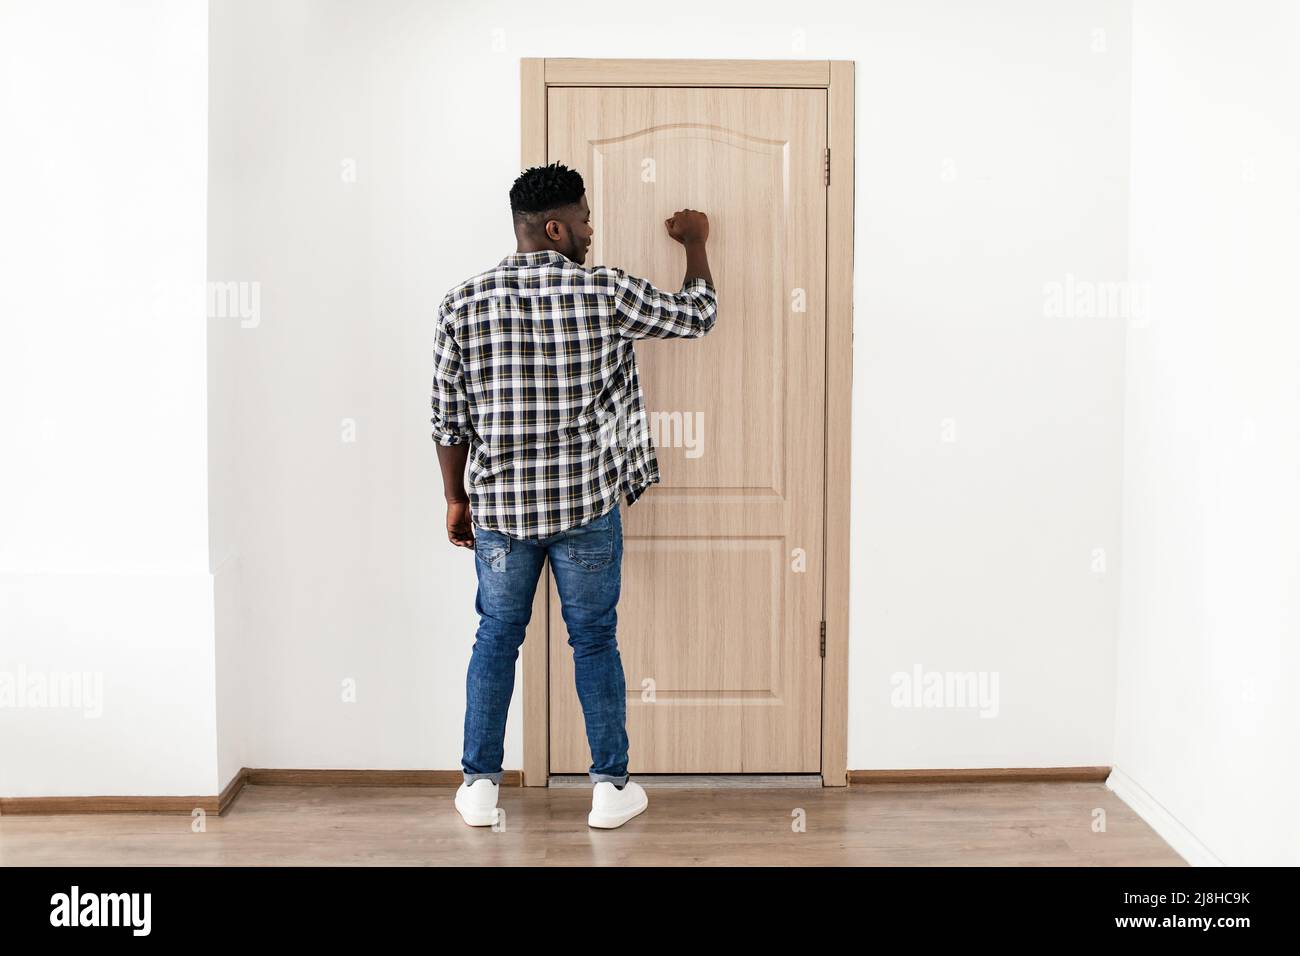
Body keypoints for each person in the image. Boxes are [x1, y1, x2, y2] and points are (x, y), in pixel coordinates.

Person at [431, 162, 716, 829]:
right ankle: (611, 790)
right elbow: (698, 315)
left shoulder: (461, 303)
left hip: (501, 512)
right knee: (593, 641)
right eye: (585, 220)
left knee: (496, 638)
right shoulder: (604, 292)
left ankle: (479, 787)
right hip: (585, 506)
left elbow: (448, 420)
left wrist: (455, 499)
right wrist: (697, 243)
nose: (591, 231)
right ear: (556, 228)